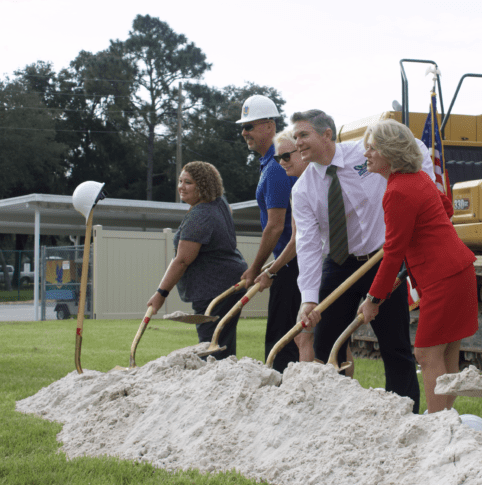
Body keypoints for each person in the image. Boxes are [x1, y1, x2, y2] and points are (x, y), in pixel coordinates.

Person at [290, 109, 434, 414]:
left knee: (395, 345)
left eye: (303, 134)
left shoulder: (366, 153)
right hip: (338, 264)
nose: (297, 142)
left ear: (326, 134)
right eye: (295, 136)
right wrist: (309, 298)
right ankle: (328, 412)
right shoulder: (302, 189)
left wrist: (423, 192)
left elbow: (417, 148)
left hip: (382, 260)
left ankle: (404, 414)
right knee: (326, 345)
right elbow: (308, 246)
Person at [357, 119, 477, 414]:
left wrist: (373, 299)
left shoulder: (397, 191)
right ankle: (445, 419)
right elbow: (445, 208)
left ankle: (436, 423)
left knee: (426, 353)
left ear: (390, 152)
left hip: (442, 278)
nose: (366, 154)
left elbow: (393, 252)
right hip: (459, 270)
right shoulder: (420, 178)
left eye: (372, 148)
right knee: (447, 352)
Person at [253, 129, 354, 370]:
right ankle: (343, 385)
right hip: (331, 265)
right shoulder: (305, 184)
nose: (281, 163)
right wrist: (270, 269)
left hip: (326, 267)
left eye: (286, 156)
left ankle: (307, 385)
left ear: (302, 152)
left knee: (305, 335)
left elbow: (297, 243)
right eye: (277, 158)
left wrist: (271, 271)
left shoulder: (308, 185)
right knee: (338, 338)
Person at [147, 161, 247, 360]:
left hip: (214, 288)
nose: (181, 187)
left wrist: (161, 294)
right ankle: (226, 374)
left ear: (203, 186)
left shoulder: (200, 215)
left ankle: (217, 376)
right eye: (180, 181)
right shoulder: (219, 203)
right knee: (222, 342)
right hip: (230, 282)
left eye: (188, 182)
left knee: (211, 347)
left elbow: (182, 260)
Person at [236, 95, 299, 373]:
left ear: (270, 126)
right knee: (287, 335)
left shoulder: (276, 167)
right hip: (287, 260)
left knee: (281, 339)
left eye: (249, 126)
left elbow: (275, 226)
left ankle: (283, 388)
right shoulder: (269, 164)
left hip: (292, 262)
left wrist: (255, 268)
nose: (244, 132)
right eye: (243, 127)